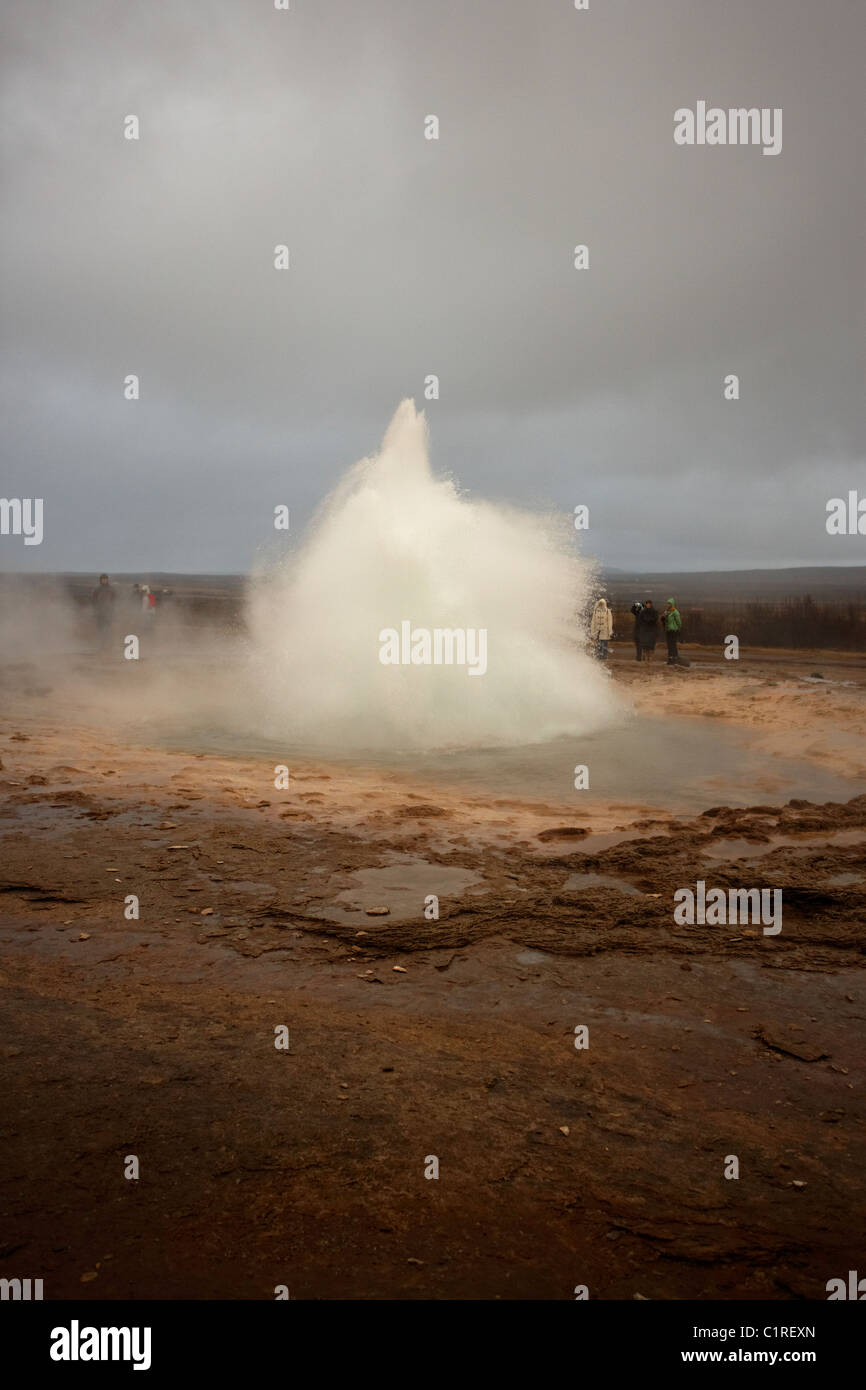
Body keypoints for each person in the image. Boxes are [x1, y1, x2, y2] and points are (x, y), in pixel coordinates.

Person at [91, 573, 115, 645]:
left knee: (108, 628)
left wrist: (112, 609)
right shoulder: (97, 589)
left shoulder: (111, 589)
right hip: (100, 612)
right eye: (103, 579)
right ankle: (102, 643)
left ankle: (108, 643)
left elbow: (115, 599)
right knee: (100, 629)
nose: (104, 580)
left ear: (107, 580)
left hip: (108, 611)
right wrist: (95, 610)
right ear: (100, 580)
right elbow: (94, 600)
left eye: (105, 579)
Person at [661, 597, 682, 665]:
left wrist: (679, 628)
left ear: (672, 604)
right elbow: (663, 619)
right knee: (669, 645)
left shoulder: (675, 612)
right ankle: (670, 659)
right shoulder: (667, 611)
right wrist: (663, 618)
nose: (668, 605)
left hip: (673, 630)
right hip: (668, 630)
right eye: (667, 603)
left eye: (669, 603)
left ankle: (675, 658)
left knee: (673, 645)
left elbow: (679, 621)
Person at [637, 598, 659, 662]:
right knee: (645, 643)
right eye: (647, 604)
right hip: (645, 630)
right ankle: (644, 656)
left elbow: (656, 619)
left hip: (652, 630)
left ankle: (650, 657)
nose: (648, 605)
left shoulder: (654, 611)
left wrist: (649, 621)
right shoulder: (643, 612)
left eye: (649, 604)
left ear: (651, 604)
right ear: (646, 604)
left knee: (651, 644)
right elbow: (640, 620)